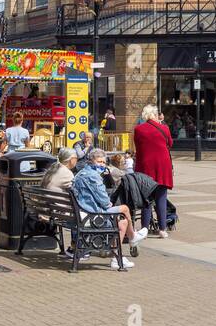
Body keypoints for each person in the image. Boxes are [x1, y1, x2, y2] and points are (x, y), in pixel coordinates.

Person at [71, 149, 146, 269]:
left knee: (123, 220)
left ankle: (128, 243)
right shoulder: (94, 177)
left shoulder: (81, 173)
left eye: (103, 162)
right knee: (124, 213)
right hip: (92, 214)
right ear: (91, 161)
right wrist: (108, 204)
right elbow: (105, 203)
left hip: (81, 212)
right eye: (99, 161)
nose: (102, 164)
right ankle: (129, 242)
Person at [132, 104, 173, 238]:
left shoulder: (138, 129)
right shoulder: (164, 128)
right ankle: (162, 229)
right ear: (155, 115)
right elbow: (170, 144)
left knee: (147, 198)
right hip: (162, 166)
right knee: (161, 197)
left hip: (146, 167)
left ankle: (144, 229)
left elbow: (138, 147)